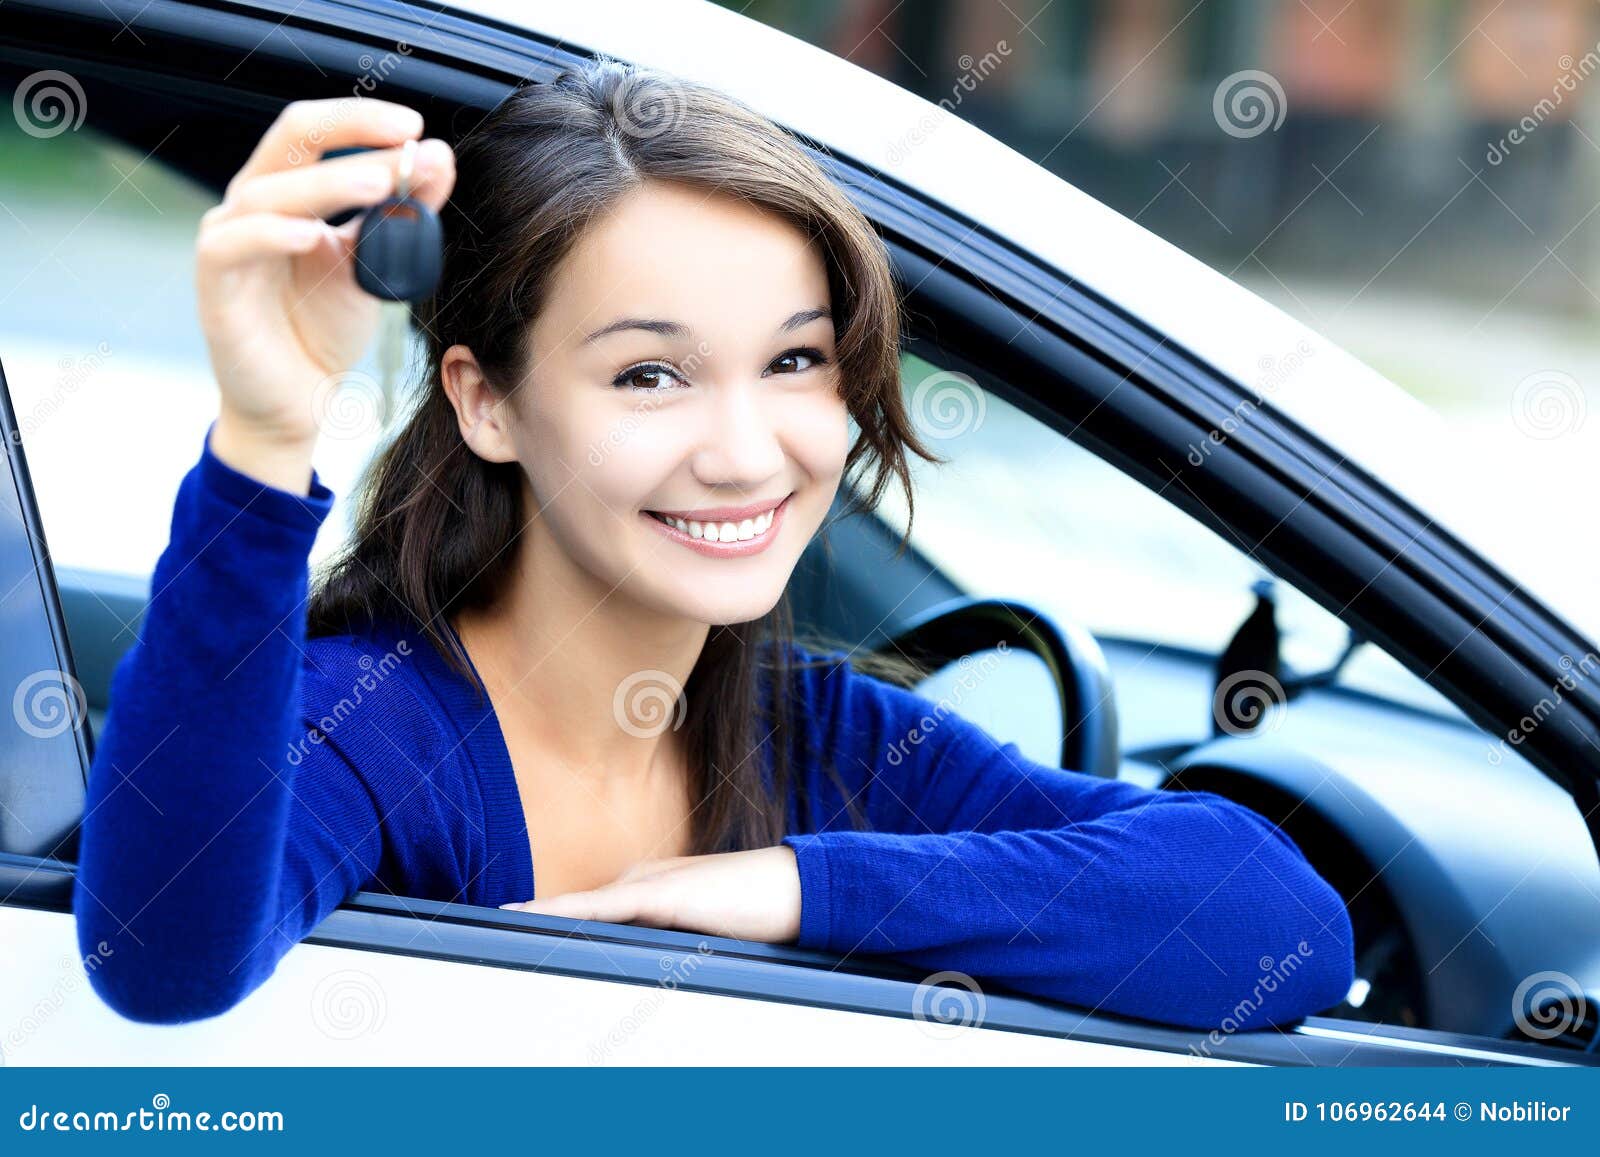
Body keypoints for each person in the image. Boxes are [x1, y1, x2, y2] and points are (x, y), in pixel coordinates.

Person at [73, 58, 1354, 1031]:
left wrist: (793, 889)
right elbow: (165, 954)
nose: (747, 450)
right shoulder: (379, 725)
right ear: (486, 400)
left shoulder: (829, 742)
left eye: (795, 359)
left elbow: (1277, 924)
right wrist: (264, 427)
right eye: (648, 374)